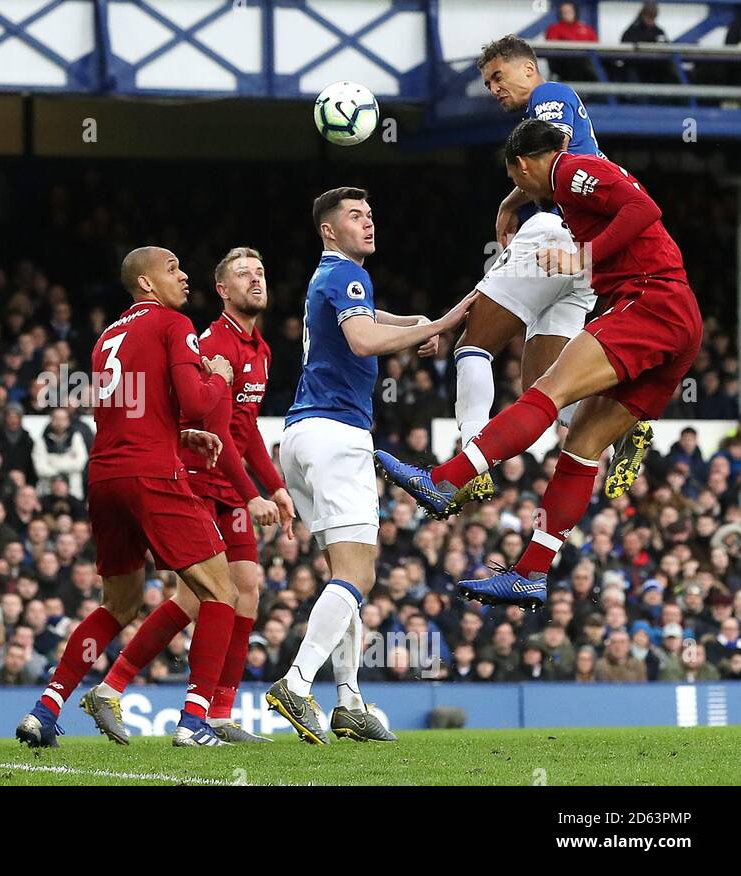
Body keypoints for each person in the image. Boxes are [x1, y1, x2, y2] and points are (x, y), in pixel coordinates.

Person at [376, 120, 702, 611]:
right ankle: (530, 573)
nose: (518, 188)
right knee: (583, 445)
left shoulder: (570, 172)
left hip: (649, 301)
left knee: (547, 392)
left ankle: (445, 480)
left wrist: (583, 257)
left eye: (515, 180)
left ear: (522, 165)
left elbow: (643, 208)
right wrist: (515, 207)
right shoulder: (569, 179)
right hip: (679, 320)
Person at [264, 187, 472, 745]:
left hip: (302, 435)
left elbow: (366, 319)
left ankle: (349, 701)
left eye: (371, 214)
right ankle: (297, 682)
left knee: (346, 573)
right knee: (358, 576)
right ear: (330, 230)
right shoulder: (347, 275)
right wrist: (439, 324)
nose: (368, 222)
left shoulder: (327, 276)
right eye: (356, 216)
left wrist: (416, 319)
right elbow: (362, 340)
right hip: (338, 433)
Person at [16, 246, 238, 748]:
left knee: (119, 603)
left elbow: (127, 414)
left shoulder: (106, 337)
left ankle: (45, 709)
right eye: (174, 268)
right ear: (146, 284)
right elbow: (198, 400)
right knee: (222, 591)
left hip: (105, 477)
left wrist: (178, 436)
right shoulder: (172, 323)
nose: (184, 276)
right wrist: (220, 378)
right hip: (152, 476)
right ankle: (195, 720)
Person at [83, 246, 295, 745]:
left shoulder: (260, 351)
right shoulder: (210, 341)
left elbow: (246, 433)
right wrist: (251, 496)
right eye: (244, 274)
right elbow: (213, 427)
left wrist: (277, 487)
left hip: (231, 483)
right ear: (222, 289)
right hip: (199, 479)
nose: (256, 280)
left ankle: (217, 712)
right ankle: (125, 690)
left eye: (261, 272)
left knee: (246, 592)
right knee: (202, 596)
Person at [463, 35, 651, 510]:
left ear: (529, 70)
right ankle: (622, 421)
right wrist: (512, 202)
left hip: (557, 234)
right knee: (543, 390)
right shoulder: (556, 115)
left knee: (473, 344)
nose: (494, 89)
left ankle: (468, 457)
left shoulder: (551, 96)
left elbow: (554, 153)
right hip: (585, 255)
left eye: (498, 77)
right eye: (488, 83)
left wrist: (510, 202)